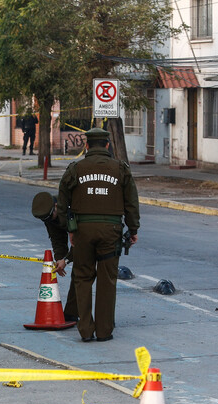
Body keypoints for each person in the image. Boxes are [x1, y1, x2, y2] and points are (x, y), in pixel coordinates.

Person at [56, 127, 139, 342]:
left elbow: (62, 200)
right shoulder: (121, 169)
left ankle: (85, 330)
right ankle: (104, 331)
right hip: (111, 231)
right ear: (108, 146)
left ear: (86, 146)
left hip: (82, 230)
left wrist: (69, 229)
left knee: (83, 278)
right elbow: (131, 202)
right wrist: (133, 229)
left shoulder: (75, 168)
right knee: (107, 280)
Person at [31, 191, 77, 322]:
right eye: (46, 220)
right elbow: (57, 239)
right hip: (79, 238)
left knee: (83, 273)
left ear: (56, 206)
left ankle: (100, 319)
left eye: (51, 217)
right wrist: (59, 258)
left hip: (95, 233)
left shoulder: (72, 207)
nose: (50, 220)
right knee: (79, 274)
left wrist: (66, 260)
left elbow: (80, 241)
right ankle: (72, 313)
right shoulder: (48, 215)